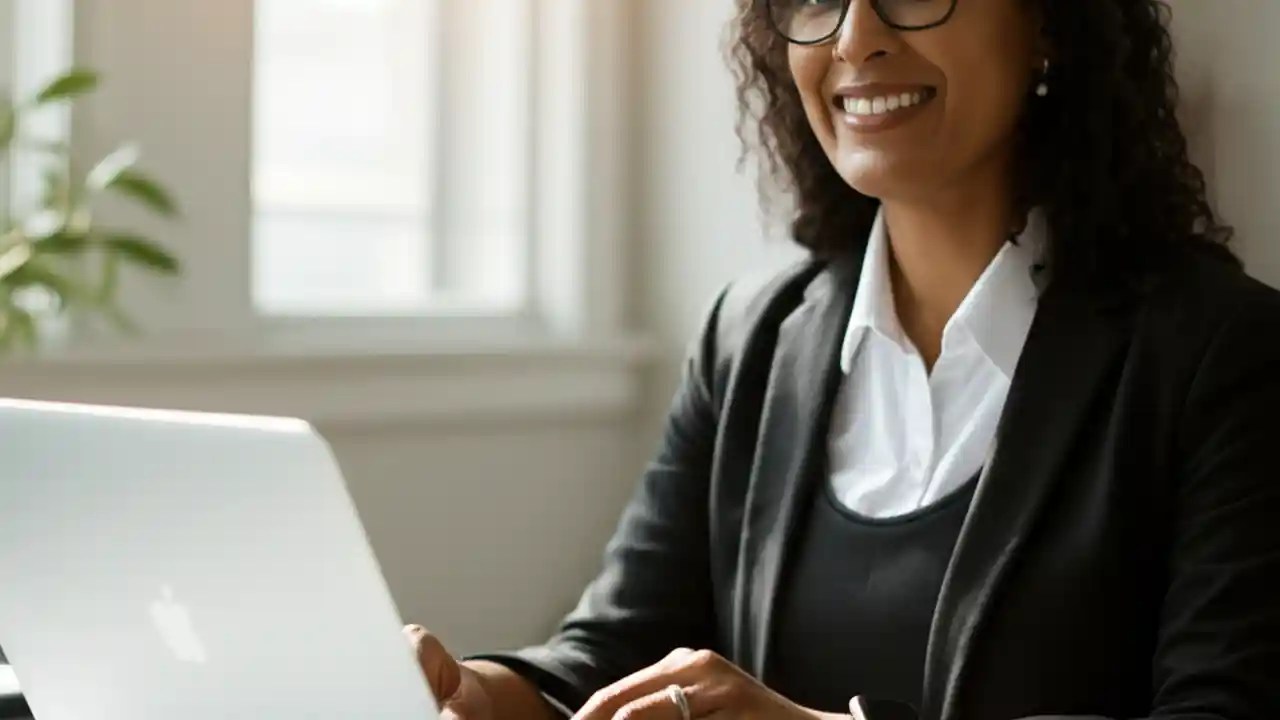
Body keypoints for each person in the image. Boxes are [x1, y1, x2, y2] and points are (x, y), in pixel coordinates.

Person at [405, 0, 1280, 718]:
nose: (856, 35)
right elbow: (616, 648)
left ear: (1049, 23)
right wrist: (480, 693)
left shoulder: (1221, 353)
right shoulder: (751, 336)